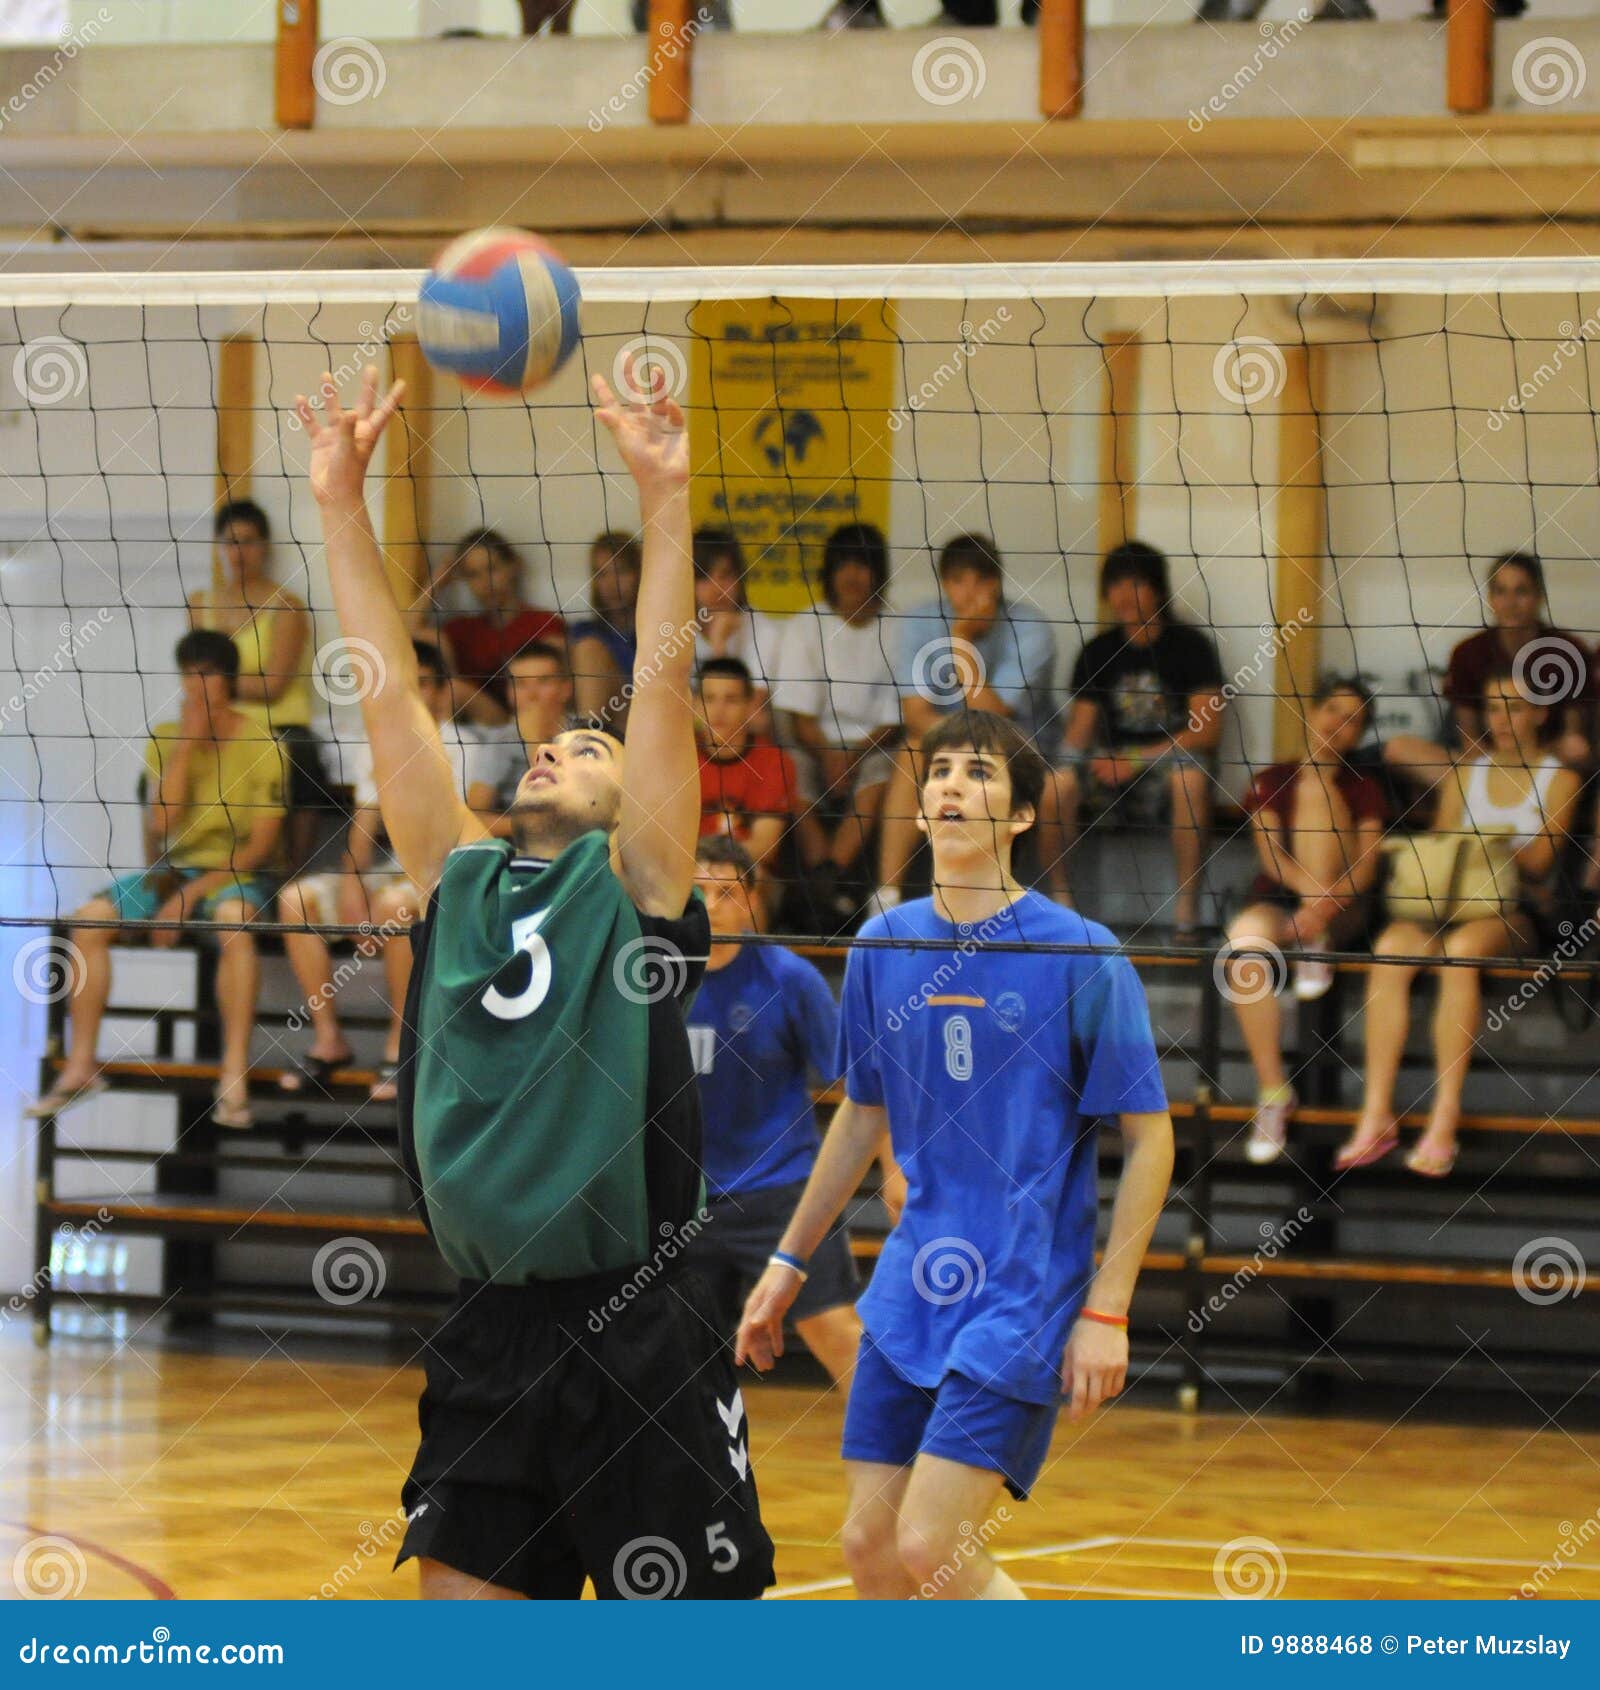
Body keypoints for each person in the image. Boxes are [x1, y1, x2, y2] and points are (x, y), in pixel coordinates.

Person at [294, 363, 773, 1600]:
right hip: (491, 1326)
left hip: (639, 1326)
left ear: (633, 800)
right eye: (550, 738)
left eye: (590, 746)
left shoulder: (636, 888)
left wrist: (666, 499)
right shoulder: (456, 878)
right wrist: (339, 502)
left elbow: (659, 687)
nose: (556, 743)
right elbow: (388, 694)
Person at [737, 708, 1174, 1601]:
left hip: (1023, 1283)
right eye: (938, 772)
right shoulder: (881, 946)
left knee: (931, 1543)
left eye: (977, 773)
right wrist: (788, 1261)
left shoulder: (1083, 957)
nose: (949, 786)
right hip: (912, 1278)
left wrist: (1109, 1310)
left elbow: (1152, 1135)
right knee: (867, 1542)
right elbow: (862, 1117)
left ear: (1017, 816)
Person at [28, 630, 286, 1130]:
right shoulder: (167, 737)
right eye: (188, 674)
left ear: (227, 680)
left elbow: (261, 848)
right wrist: (187, 746)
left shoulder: (264, 744)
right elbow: (161, 826)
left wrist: (189, 897)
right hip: (172, 870)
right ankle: (82, 1066)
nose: (196, 685)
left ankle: (233, 1076)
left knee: (235, 924)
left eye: (206, 674)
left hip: (233, 872)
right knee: (89, 920)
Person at [1339, 672, 1582, 1178]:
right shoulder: (1463, 773)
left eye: (1515, 708)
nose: (1503, 719)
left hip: (1514, 913)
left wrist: (1488, 844)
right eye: (1495, 708)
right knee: (1389, 948)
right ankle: (1376, 1110)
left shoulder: (1559, 778)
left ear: (1539, 714)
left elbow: (1538, 864)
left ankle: (1444, 1114)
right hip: (1445, 904)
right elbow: (1441, 848)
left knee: (1461, 954)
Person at [276, 642, 504, 1105]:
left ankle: (400, 1048)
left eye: (422, 683)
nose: (412, 694)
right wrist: (351, 884)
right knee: (296, 899)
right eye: (405, 683)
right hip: (394, 869)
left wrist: (397, 887)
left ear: (442, 693)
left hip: (452, 871)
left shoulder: (471, 747)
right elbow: (364, 828)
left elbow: (475, 835)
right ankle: (328, 1040)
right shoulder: (379, 746)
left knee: (396, 905)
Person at [685, 835, 865, 1389]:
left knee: (833, 1330)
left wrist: (898, 1170)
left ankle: (905, 1453)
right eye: (701, 892)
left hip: (779, 1192)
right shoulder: (655, 977)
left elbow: (859, 1081)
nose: (713, 905)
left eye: (727, 892)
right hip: (685, 1201)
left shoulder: (789, 979)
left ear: (753, 899)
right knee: (677, 1357)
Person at [1222, 678, 1388, 1166]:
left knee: (1318, 786)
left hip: (1345, 910)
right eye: (1332, 710)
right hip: (1284, 902)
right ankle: (1274, 1091)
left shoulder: (1363, 788)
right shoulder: (1272, 779)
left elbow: (1368, 866)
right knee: (1242, 945)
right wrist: (1305, 908)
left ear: (1359, 735)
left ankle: (1317, 939)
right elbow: (1271, 857)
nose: (1338, 724)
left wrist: (1323, 909)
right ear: (1312, 714)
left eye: (1352, 720)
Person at [1052, 540, 1228, 939]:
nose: (1123, 595)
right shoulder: (1098, 651)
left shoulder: (1191, 648)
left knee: (1192, 778)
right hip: (1108, 769)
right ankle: (1060, 906)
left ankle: (1186, 915)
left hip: (1169, 767)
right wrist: (1066, 765)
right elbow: (1077, 736)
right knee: (1056, 783)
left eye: (1135, 584)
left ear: (1158, 590)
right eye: (1115, 585)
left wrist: (1134, 759)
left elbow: (1207, 730)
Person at [875, 534, 1058, 911]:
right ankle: (885, 898)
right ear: (945, 585)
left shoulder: (1031, 628)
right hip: (948, 741)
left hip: (1021, 745)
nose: (970, 591)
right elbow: (914, 713)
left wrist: (960, 637)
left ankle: (1014, 900)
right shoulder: (919, 621)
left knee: (987, 763)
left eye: (982, 580)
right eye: (958, 581)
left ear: (997, 583)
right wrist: (954, 747)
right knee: (911, 752)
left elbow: (993, 716)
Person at [773, 522, 903, 924]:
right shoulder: (804, 625)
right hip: (814, 743)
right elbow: (799, 719)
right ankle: (826, 882)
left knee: (886, 773)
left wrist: (852, 758)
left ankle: (825, 882)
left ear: (877, 572)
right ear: (829, 572)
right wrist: (830, 756)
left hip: (875, 746)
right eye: (842, 565)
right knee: (787, 767)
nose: (851, 575)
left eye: (862, 565)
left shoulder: (898, 629)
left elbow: (893, 721)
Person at [189, 498, 324, 873]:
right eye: (230, 542)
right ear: (219, 548)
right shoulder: (201, 605)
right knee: (163, 757)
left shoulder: (287, 607)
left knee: (304, 758)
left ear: (264, 546)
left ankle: (291, 876)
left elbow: (275, 686)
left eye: (248, 541)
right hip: (219, 725)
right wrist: (220, 689)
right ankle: (174, 872)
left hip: (277, 727)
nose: (239, 552)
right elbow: (195, 676)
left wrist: (217, 683)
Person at [698, 656, 799, 912]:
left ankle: (750, 952)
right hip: (686, 868)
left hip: (750, 872)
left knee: (750, 881)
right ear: (695, 704)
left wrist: (713, 870)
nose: (718, 710)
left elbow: (763, 849)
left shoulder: (774, 762)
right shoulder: (677, 758)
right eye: (709, 699)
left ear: (749, 705)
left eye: (730, 700)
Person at [438, 527, 565, 725]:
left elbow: (558, 685)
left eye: (491, 569)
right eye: (473, 575)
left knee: (457, 689)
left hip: (530, 719)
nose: (485, 583)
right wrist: (436, 582)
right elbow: (399, 641)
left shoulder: (544, 623)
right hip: (475, 728)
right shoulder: (460, 629)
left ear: (512, 566)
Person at [566, 530, 640, 731]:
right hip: (603, 726)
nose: (612, 584)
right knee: (588, 647)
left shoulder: (658, 631)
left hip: (644, 723)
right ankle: (587, 744)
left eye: (621, 572)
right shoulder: (585, 633)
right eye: (602, 574)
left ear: (639, 573)